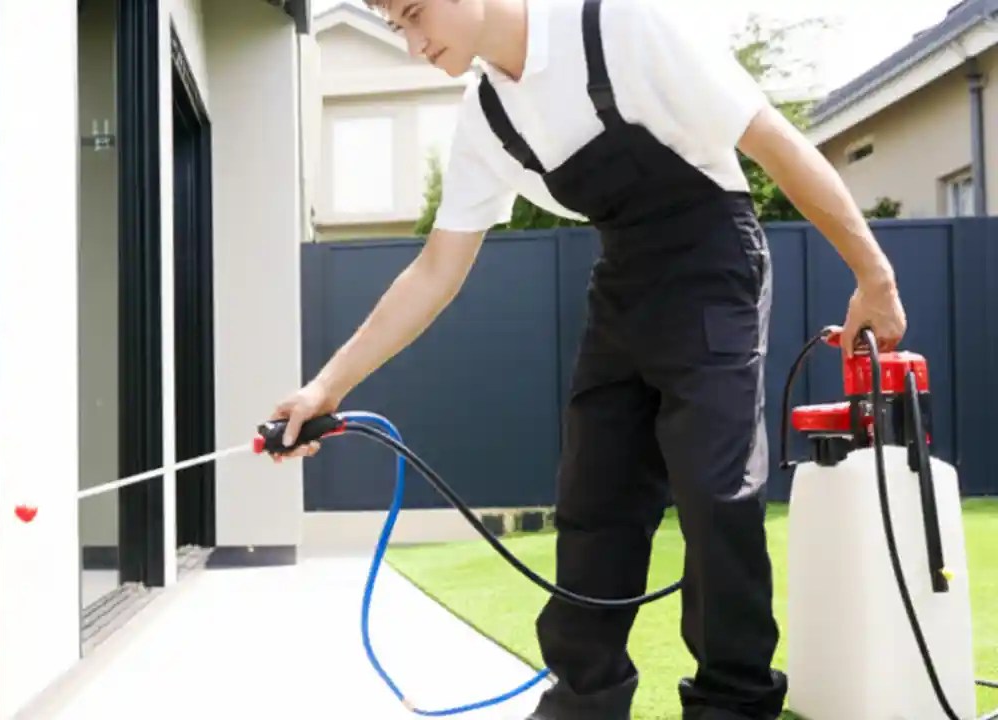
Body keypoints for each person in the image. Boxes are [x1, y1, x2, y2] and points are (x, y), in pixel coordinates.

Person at [268, 0, 907, 717]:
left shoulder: (621, 26)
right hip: (623, 280)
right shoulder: (488, 115)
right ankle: (584, 699)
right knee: (593, 498)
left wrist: (873, 276)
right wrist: (326, 385)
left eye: (415, 14)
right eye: (396, 28)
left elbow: (775, 143)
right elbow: (435, 272)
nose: (414, 44)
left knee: (713, 492)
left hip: (712, 261)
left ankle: (734, 701)